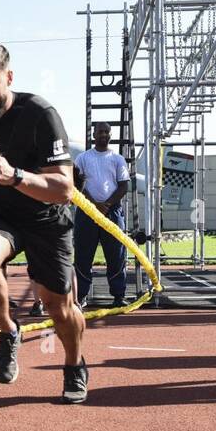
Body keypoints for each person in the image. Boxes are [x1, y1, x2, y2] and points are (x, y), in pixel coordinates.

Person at [0, 39, 88, 403]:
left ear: (9, 76)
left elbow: (63, 189)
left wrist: (13, 175)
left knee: (58, 306)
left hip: (44, 215)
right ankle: (9, 331)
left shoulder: (40, 114)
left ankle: (74, 365)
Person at [73, 122, 130, 307]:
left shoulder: (118, 159)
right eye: (100, 131)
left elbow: (123, 186)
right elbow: (76, 184)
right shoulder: (82, 158)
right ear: (94, 134)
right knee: (83, 255)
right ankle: (81, 296)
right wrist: (94, 204)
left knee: (116, 255)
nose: (103, 134)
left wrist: (106, 205)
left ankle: (118, 296)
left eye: (106, 132)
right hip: (87, 211)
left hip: (111, 211)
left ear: (110, 135)